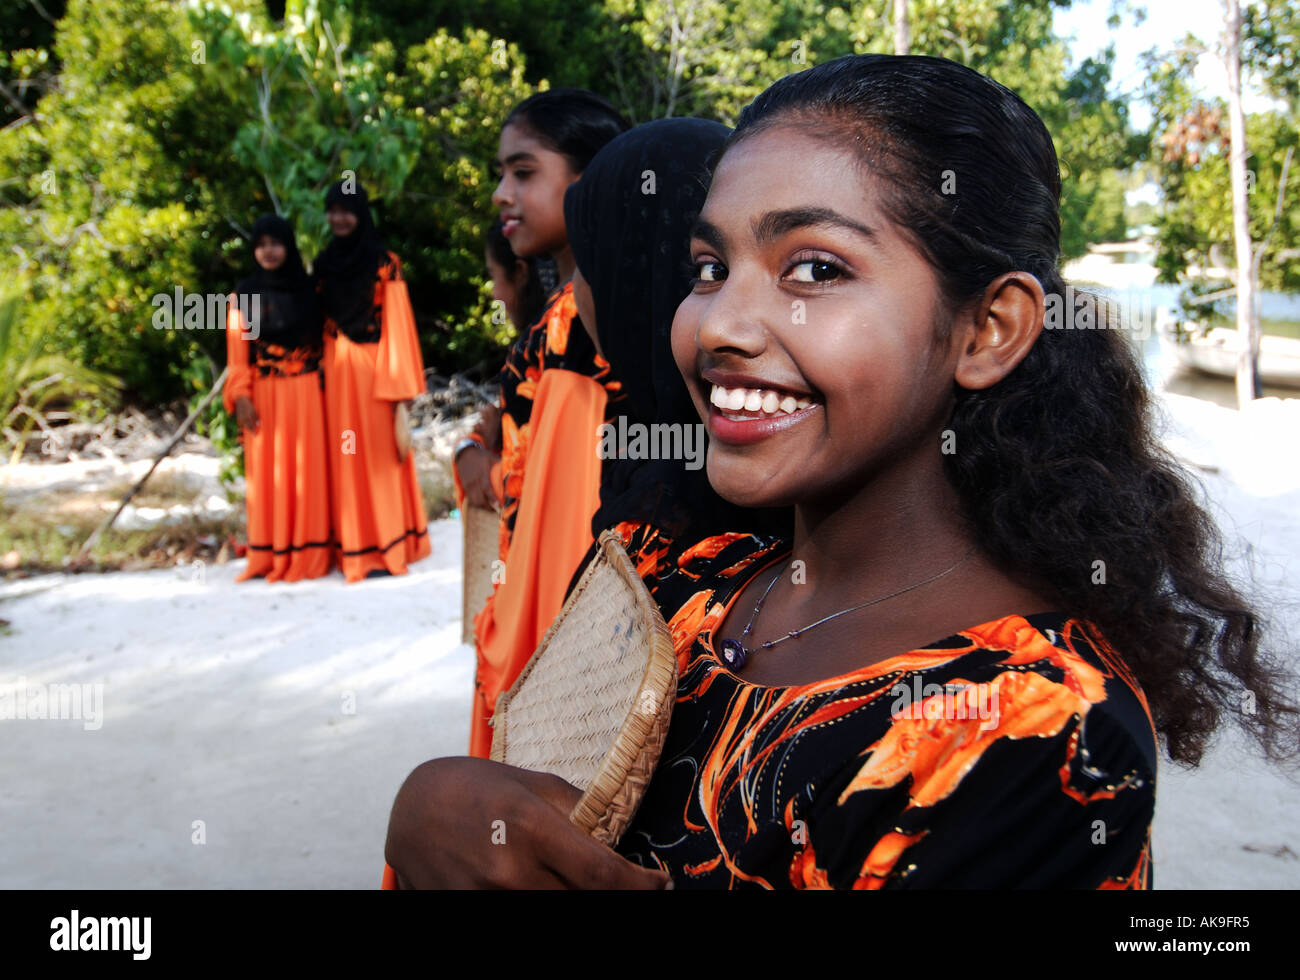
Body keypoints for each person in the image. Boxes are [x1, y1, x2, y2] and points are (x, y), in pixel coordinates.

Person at [386, 55, 1297, 889]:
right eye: (709, 267)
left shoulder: (1028, 730)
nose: (719, 327)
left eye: (815, 268)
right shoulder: (687, 576)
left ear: (988, 330)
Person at [460, 89, 629, 760]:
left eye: (523, 172)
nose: (502, 192)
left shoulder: (587, 319)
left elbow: (563, 501)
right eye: (501, 173)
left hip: (555, 601)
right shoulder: (555, 315)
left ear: (589, 182)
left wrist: (489, 463)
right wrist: (481, 445)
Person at [314, 179, 430, 583]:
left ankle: (388, 545)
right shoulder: (324, 263)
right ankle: (354, 546)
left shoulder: (385, 262)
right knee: (345, 456)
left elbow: (398, 326)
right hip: (336, 369)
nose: (339, 218)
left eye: (346, 210)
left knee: (380, 455)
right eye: (333, 210)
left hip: (375, 370)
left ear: (360, 214)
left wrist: (401, 386)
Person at [223, 213, 332, 583]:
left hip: (307, 394)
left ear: (288, 245)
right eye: (262, 244)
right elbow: (237, 352)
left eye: (276, 243)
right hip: (265, 396)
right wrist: (240, 395)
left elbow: (329, 345)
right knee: (269, 475)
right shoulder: (243, 294)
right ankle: (269, 554)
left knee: (308, 472)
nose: (269, 251)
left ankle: (309, 553)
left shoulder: (311, 290)